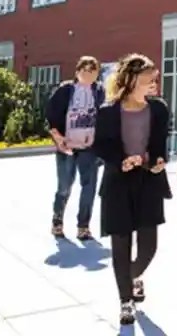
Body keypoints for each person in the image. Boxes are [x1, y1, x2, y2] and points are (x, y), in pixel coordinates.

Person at [93, 54, 171, 326]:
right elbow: (100, 146)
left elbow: (162, 144)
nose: (153, 84)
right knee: (120, 245)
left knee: (149, 246)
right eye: (148, 80)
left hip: (149, 181)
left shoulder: (159, 109)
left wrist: (158, 160)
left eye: (154, 79)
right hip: (117, 183)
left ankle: (132, 276)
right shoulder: (108, 111)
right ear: (131, 80)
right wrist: (121, 160)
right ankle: (125, 300)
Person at [46, 56, 106, 240]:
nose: (88, 74)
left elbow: (105, 116)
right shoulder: (66, 90)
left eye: (92, 71)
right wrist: (57, 137)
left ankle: (83, 226)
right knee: (64, 186)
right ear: (77, 71)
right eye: (84, 70)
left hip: (89, 148)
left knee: (89, 188)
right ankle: (57, 221)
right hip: (67, 147)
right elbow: (50, 114)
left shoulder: (99, 91)